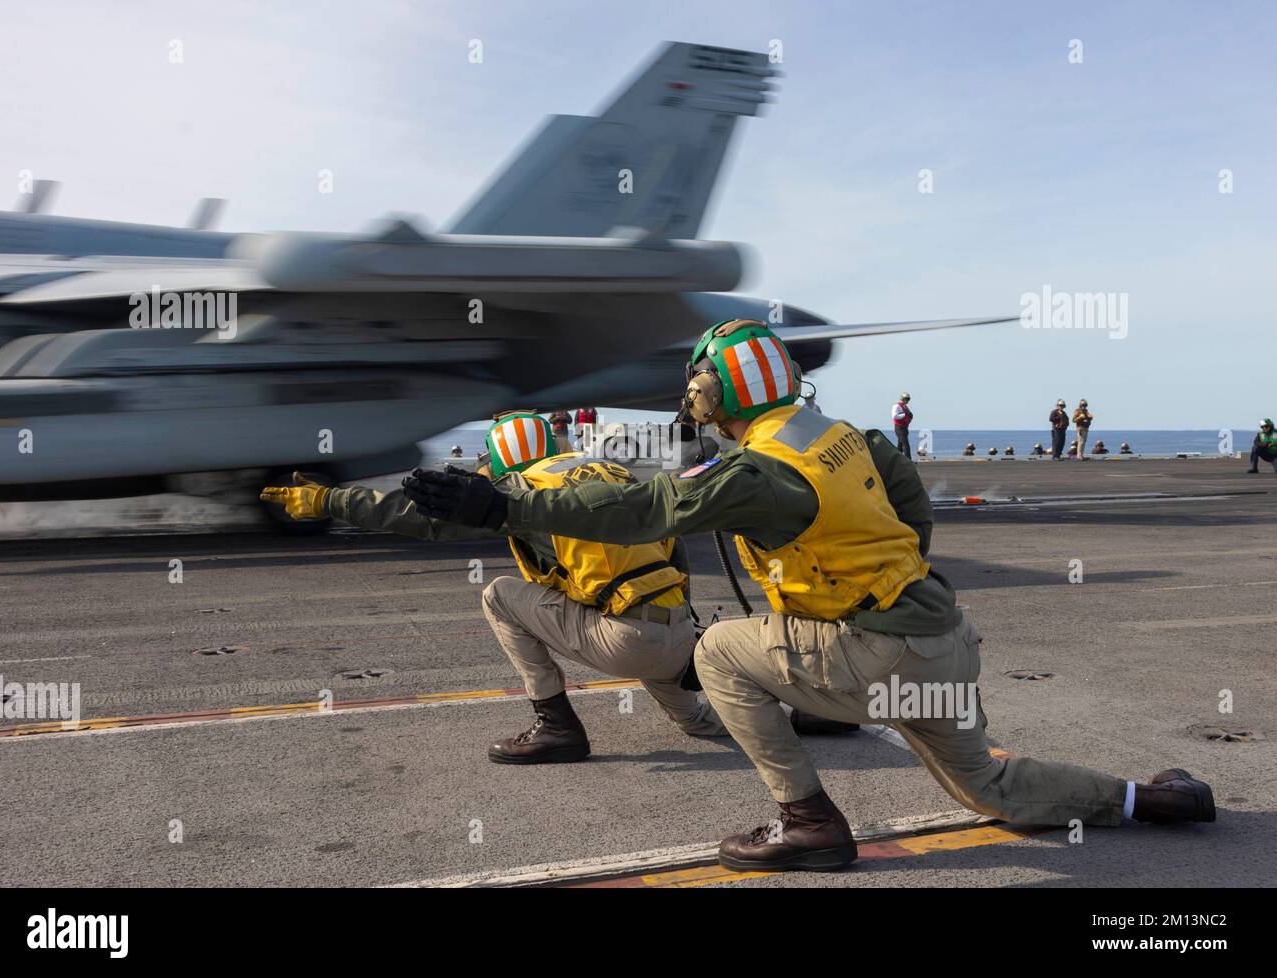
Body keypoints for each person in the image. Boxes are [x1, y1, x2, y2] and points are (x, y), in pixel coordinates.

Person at [404, 320, 1215, 872]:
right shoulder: (840, 436)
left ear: (719, 393)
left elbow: (648, 507)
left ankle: (808, 822)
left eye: (698, 387)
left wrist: (504, 504)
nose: (692, 399)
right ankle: (1157, 797)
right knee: (989, 789)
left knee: (720, 647)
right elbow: (914, 511)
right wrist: (870, 585)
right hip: (943, 638)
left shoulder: (758, 471)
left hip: (876, 653)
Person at [261, 411, 726, 763]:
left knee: (499, 594)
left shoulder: (521, 489)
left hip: (625, 643)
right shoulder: (616, 474)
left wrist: (328, 498)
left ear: (503, 458)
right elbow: (675, 554)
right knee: (699, 721)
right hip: (681, 635)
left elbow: (416, 519)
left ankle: (557, 727)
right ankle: (778, 710)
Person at [892, 392, 913, 459]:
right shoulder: (897, 406)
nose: (907, 401)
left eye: (908, 399)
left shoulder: (905, 406)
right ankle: (909, 460)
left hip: (905, 427)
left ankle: (895, 459)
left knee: (900, 446)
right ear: (902, 398)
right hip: (899, 427)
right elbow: (894, 416)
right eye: (906, 399)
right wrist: (904, 415)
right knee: (905, 444)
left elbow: (909, 415)